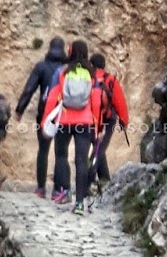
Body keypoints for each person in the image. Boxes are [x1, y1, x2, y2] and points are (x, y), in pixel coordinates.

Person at [41, 39, 101, 212]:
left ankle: (65, 190)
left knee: (61, 155)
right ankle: (80, 203)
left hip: (65, 120)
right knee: (81, 161)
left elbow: (52, 97)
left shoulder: (62, 71)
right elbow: (96, 100)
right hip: (85, 121)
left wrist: (45, 121)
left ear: (71, 51)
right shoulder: (91, 73)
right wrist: (96, 126)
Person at [15, 36, 68, 197]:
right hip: (64, 114)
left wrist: (20, 109)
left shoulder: (41, 67)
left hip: (45, 114)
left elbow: (29, 88)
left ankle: (41, 188)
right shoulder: (68, 68)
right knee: (61, 153)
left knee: (43, 151)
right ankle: (58, 190)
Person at [88, 52, 130, 189]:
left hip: (91, 119)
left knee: (98, 148)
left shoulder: (89, 79)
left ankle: (103, 180)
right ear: (103, 65)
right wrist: (124, 121)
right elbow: (119, 101)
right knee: (99, 149)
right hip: (108, 120)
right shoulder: (111, 80)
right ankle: (96, 180)